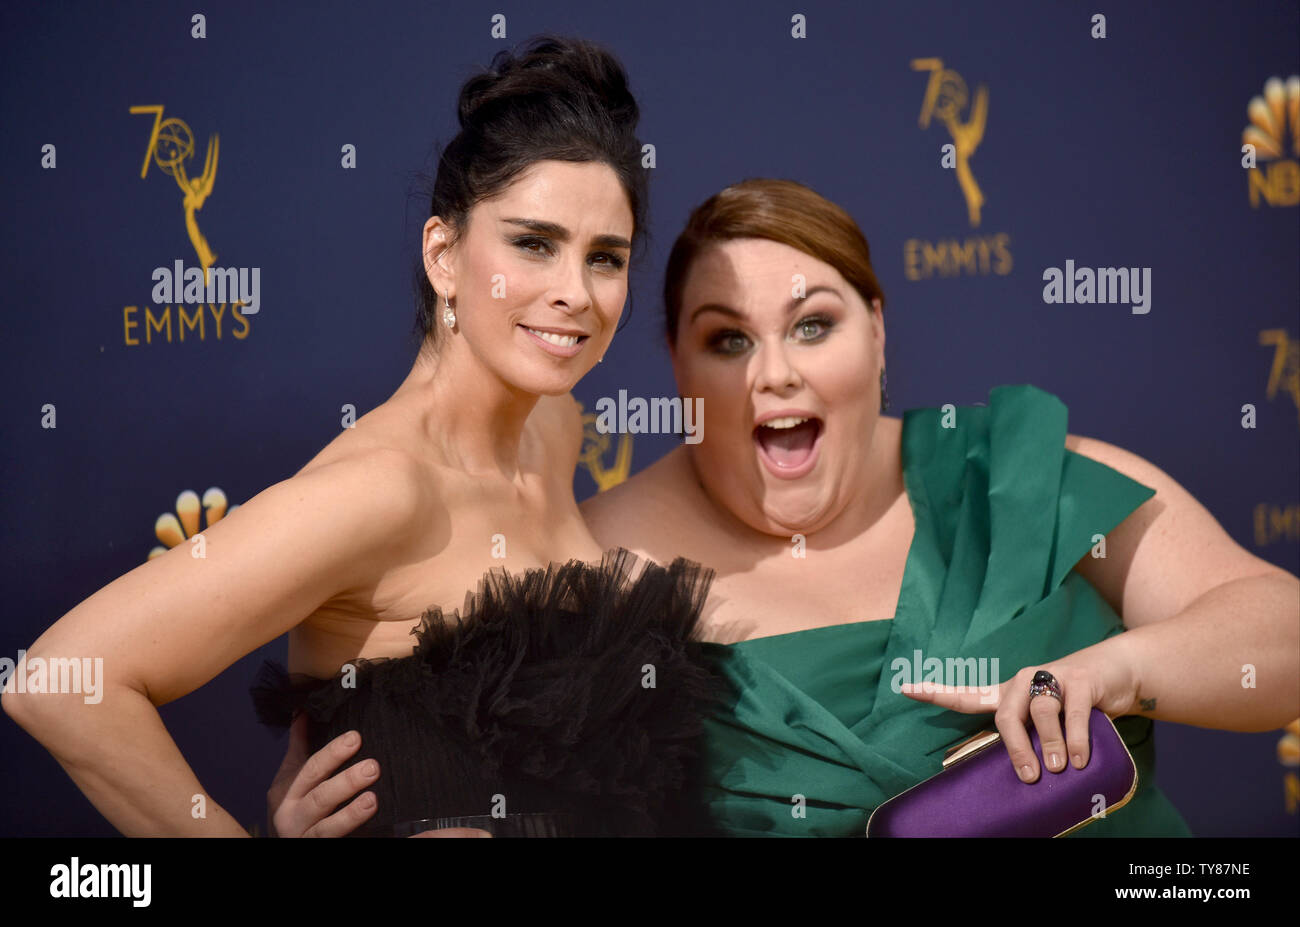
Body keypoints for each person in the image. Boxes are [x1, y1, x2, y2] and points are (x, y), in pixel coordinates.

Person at [274, 177, 1300, 837]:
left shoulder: (1020, 475)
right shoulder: (588, 576)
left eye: (813, 326)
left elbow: (1278, 636)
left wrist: (1117, 668)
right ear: (676, 367)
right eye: (726, 341)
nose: (772, 374)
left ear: (878, 333)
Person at [2, 35, 719, 838]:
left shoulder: (555, 427)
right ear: (444, 254)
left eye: (606, 258)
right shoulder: (382, 489)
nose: (574, 293)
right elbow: (65, 682)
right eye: (533, 243)